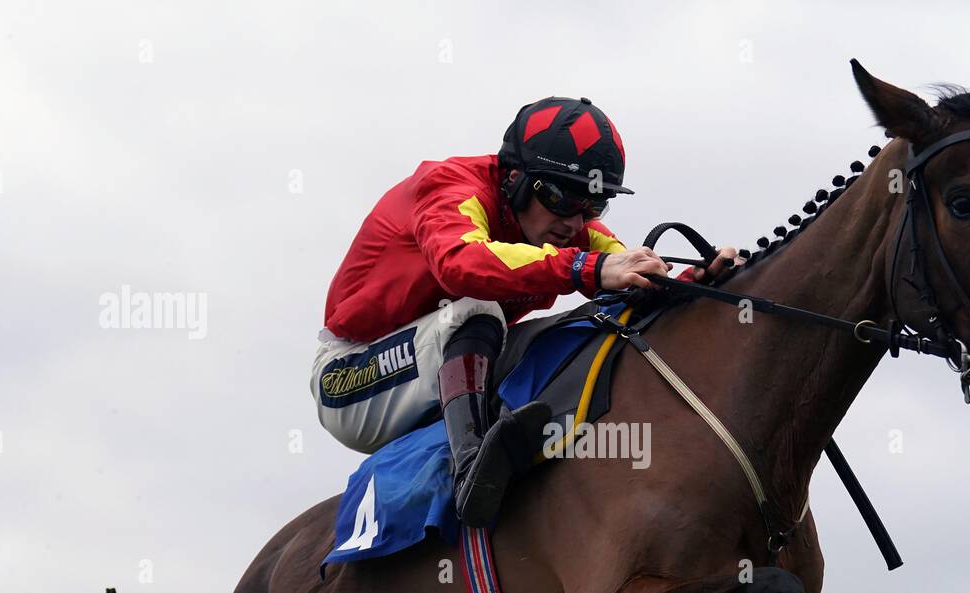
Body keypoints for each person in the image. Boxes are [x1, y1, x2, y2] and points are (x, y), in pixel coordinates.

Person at [312, 95, 740, 527]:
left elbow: (631, 275)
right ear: (514, 178)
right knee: (475, 310)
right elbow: (460, 264)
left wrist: (694, 283)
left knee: (571, 328)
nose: (576, 222)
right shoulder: (449, 186)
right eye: (560, 197)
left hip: (430, 366)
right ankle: (470, 469)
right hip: (350, 379)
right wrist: (585, 267)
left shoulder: (570, 226)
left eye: (594, 205)